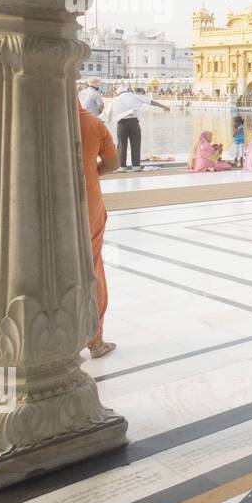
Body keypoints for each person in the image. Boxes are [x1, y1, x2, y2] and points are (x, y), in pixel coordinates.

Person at [79, 103, 120, 358]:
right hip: (87, 200)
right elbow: (112, 163)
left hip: (45, 204)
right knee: (92, 267)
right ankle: (95, 339)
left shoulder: (36, 118)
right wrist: (90, 172)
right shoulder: (92, 123)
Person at [109, 85, 170, 171]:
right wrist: (163, 106)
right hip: (134, 122)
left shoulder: (116, 100)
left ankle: (122, 167)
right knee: (136, 144)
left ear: (118, 93)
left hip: (122, 123)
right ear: (127, 91)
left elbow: (107, 113)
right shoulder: (135, 96)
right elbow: (150, 101)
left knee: (122, 145)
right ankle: (136, 166)